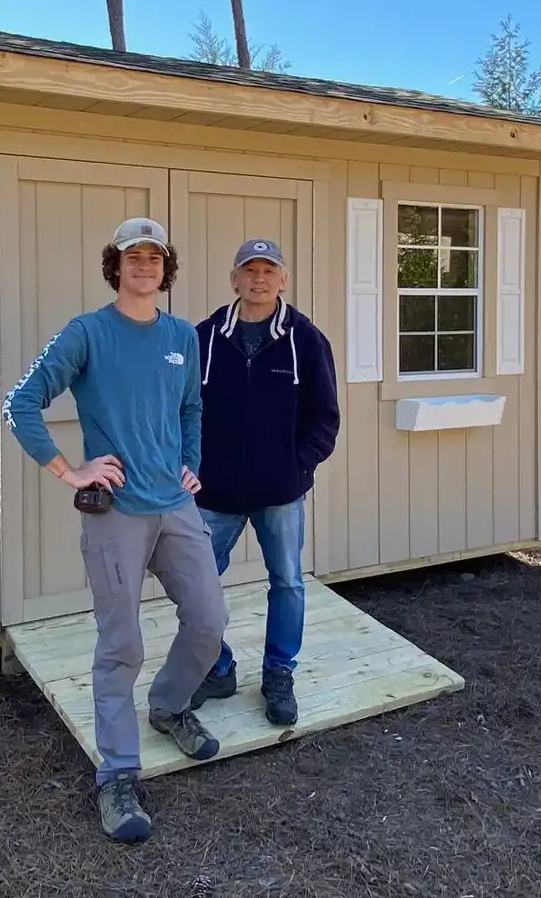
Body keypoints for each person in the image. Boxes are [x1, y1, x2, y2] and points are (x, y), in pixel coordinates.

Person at [1, 216, 229, 845]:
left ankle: (169, 707)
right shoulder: (87, 333)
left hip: (175, 507)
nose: (145, 265)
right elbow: (20, 403)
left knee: (210, 621)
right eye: (134, 256)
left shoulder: (182, 335)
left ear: (166, 267)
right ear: (116, 264)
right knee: (120, 642)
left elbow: (190, 407)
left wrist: (192, 463)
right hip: (117, 513)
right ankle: (118, 776)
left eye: (155, 256)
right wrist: (69, 470)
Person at [187, 237, 340, 727]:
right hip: (215, 492)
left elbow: (324, 416)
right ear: (233, 279)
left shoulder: (306, 339)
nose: (258, 279)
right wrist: (189, 465)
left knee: (288, 582)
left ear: (283, 279)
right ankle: (217, 665)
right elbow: (182, 411)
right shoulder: (203, 338)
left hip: (280, 492)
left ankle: (278, 673)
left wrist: (299, 466)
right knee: (195, 584)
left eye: (268, 270)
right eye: (248, 270)